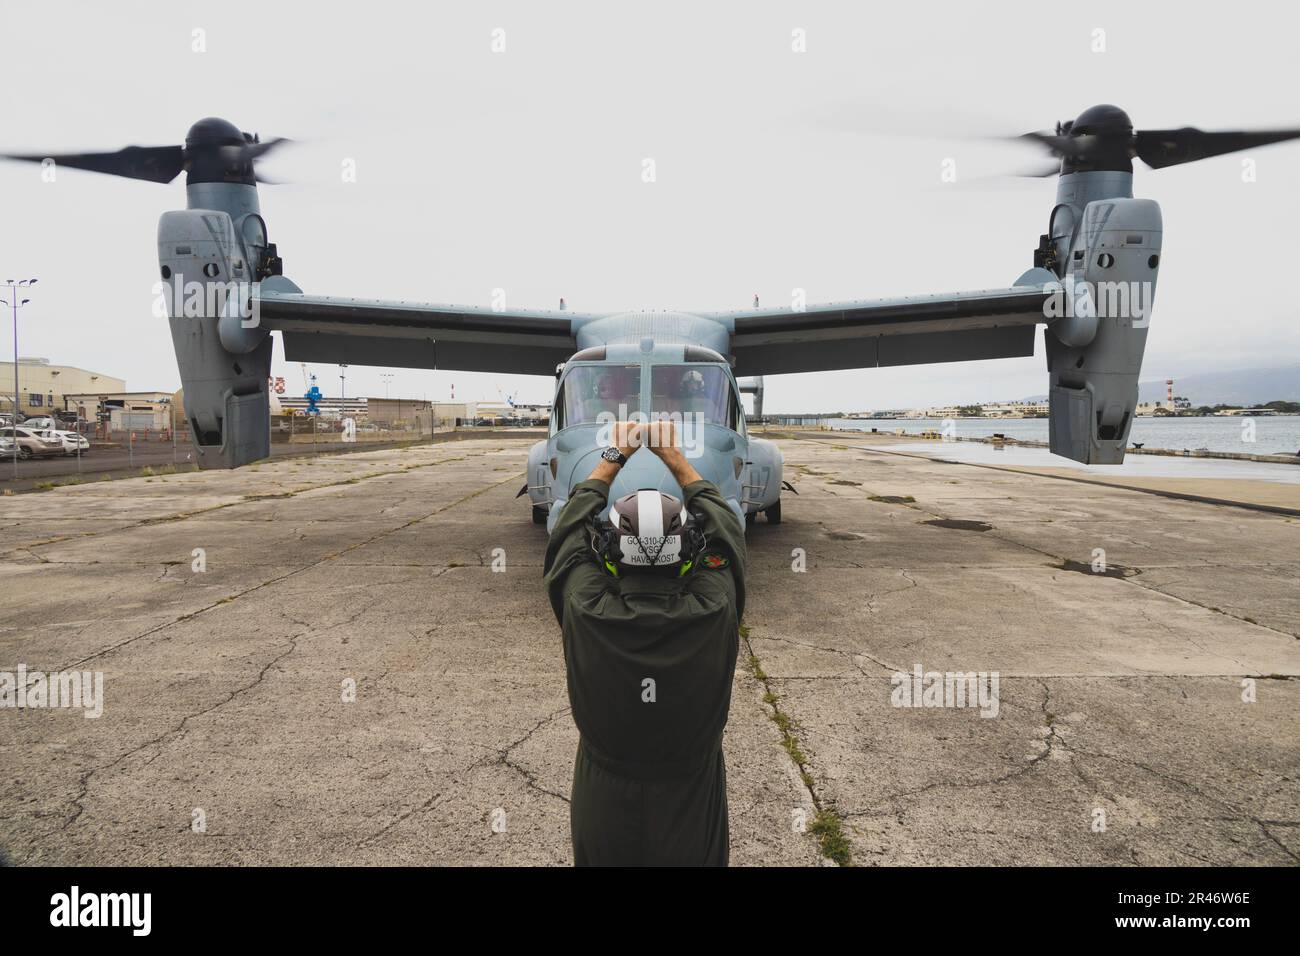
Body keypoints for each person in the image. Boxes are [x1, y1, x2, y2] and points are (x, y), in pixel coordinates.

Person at [543, 420, 746, 866]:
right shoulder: (715, 609)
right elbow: (728, 538)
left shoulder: (584, 607)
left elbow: (567, 540)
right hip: (691, 791)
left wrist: (614, 457)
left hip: (604, 791)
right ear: (686, 553)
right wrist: (676, 459)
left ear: (612, 551)